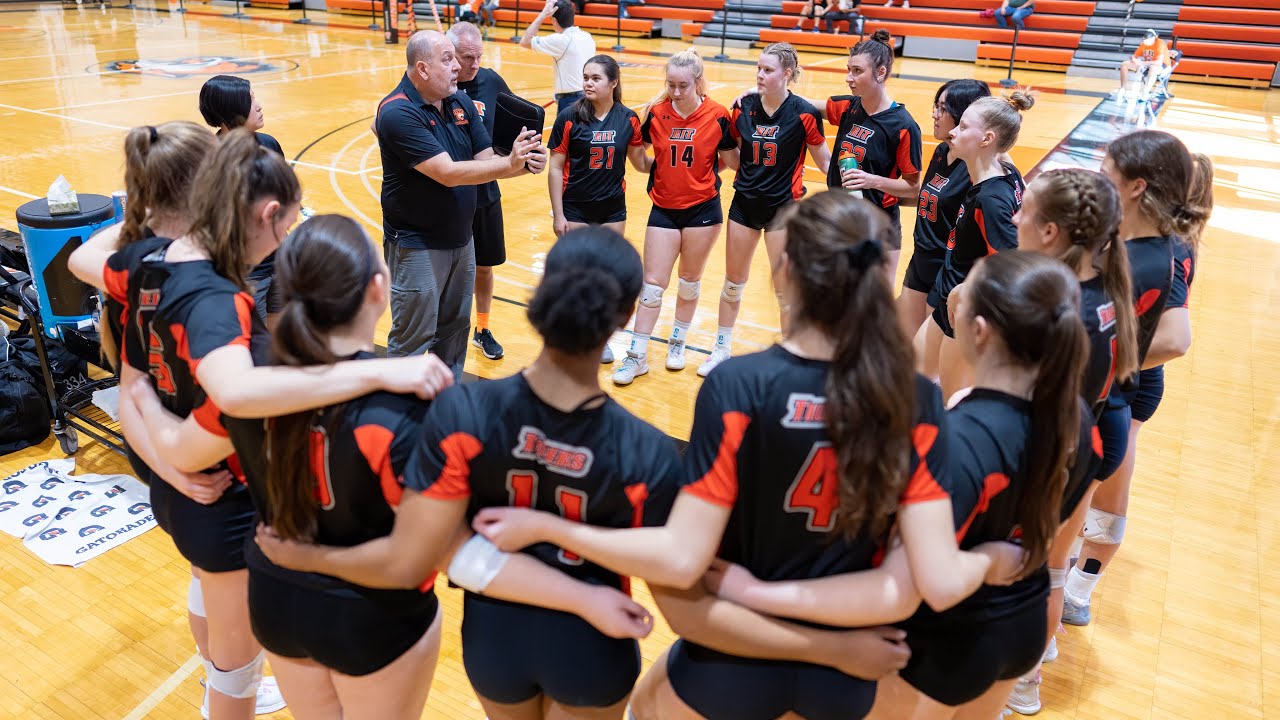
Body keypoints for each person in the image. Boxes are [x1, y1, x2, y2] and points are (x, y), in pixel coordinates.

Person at [474, 192, 1026, 720]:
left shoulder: (740, 385)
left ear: (785, 272)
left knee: (644, 705)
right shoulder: (917, 398)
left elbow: (683, 559)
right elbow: (904, 591)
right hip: (845, 676)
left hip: (730, 664)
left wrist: (548, 526)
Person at [130, 216, 653, 720]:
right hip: (371, 615)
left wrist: (139, 397)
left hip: (275, 597)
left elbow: (181, 453)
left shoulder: (245, 386)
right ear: (379, 289)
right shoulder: (407, 411)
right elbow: (441, 555)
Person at [76, 131, 456, 720]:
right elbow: (434, 555)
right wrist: (372, 374)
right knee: (232, 669)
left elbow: (136, 389)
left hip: (197, 499)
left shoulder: (149, 261)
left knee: (213, 605)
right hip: (268, 538)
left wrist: (167, 464)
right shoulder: (228, 324)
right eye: (294, 217)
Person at [255, 227, 690, 720]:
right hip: (590, 646)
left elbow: (440, 548)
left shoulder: (463, 408)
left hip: (494, 637)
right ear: (627, 315)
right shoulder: (647, 451)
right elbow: (672, 568)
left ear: (543, 291)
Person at [66, 121, 288, 720]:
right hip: (216, 485)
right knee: (237, 671)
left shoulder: (141, 261)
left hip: (175, 476)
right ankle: (219, 689)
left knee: (207, 592)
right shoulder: (208, 294)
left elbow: (85, 260)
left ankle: (214, 675)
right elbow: (236, 396)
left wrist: (148, 198)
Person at [868, 251, 1099, 720]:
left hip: (946, 638)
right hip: (1021, 621)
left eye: (962, 291)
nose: (951, 296)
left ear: (979, 330)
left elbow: (923, 583)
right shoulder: (1080, 420)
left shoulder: (956, 440)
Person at [1063, 130, 1213, 628]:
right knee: (1078, 499)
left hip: (1130, 383)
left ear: (1137, 185)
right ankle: (1061, 576)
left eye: (1109, 169)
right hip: (1102, 380)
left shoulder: (1167, 252)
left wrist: (1104, 359)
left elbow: (1175, 338)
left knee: (1107, 498)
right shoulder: (1117, 232)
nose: (1099, 175)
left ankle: (1077, 592)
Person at [1003, 167, 1138, 714]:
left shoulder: (1056, 311)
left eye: (1025, 209)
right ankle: (1026, 683)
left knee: (1025, 577)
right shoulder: (1104, 291)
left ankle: (1007, 682)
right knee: (1050, 574)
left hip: (1046, 462)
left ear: (1052, 232)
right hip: (1079, 454)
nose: (1015, 217)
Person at [376, 30, 545, 379]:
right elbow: (448, 173)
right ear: (422, 69)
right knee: (413, 338)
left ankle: (444, 407)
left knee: (453, 332)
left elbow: (485, 162)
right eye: (448, 59)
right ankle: (400, 420)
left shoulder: (459, 103)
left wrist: (524, 163)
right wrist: (510, 163)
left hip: (461, 239)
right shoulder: (397, 113)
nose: (459, 68)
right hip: (416, 244)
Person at [699, 43, 830, 377]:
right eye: (758, 68)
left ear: (787, 74)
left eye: (768, 70)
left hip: (783, 211)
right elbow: (732, 157)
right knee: (732, 282)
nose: (759, 74)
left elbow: (826, 163)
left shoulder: (804, 114)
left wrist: (856, 193)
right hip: (744, 204)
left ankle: (791, 357)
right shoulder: (743, 108)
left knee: (785, 291)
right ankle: (720, 348)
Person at [612, 49, 738, 383]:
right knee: (652, 287)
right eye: (671, 85)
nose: (677, 92)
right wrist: (665, 167)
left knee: (689, 282)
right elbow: (640, 163)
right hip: (664, 208)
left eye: (683, 85)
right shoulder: (655, 113)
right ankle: (636, 355)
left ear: (698, 82)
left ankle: (677, 344)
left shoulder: (718, 115)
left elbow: (731, 161)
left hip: (703, 210)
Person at [921, 93, 1033, 400]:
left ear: (986, 138)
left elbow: (1013, 266)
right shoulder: (1003, 171)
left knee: (952, 404)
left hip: (965, 315)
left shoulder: (991, 200)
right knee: (913, 379)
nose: (953, 131)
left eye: (963, 127)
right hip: (947, 302)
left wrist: (967, 291)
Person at [822, 30, 923, 279]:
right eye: (849, 69)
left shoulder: (903, 125)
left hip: (879, 227)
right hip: (842, 220)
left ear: (880, 72)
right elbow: (802, 105)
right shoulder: (848, 107)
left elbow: (913, 187)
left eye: (857, 71)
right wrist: (757, 93)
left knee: (875, 307)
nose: (848, 77)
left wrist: (872, 181)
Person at [901, 79, 990, 339]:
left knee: (932, 358)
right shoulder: (941, 151)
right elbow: (927, 200)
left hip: (947, 268)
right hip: (920, 258)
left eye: (942, 108)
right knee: (906, 344)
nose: (934, 114)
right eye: (935, 106)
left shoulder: (975, 167)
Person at [450, 21, 515, 360]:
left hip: (485, 191)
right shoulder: (439, 85)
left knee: (485, 266)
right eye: (466, 57)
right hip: (448, 194)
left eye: (478, 56)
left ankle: (483, 327)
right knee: (449, 266)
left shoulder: (491, 81)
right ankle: (445, 330)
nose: (474, 64)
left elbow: (515, 123)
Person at [198, 75, 286, 326]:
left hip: (278, 262)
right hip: (243, 274)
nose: (258, 106)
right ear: (230, 111)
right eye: (250, 100)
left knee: (279, 341)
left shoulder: (269, 144)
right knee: (251, 346)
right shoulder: (209, 158)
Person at [548, 54, 647, 238]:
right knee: (579, 267)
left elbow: (641, 163)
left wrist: (671, 161)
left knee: (607, 266)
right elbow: (555, 168)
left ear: (613, 82)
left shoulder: (628, 118)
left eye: (595, 78)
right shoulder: (568, 117)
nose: (588, 83)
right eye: (585, 78)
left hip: (613, 209)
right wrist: (558, 215)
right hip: (576, 207)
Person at [521, 0, 597, 114]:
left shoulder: (561, 40)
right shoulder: (587, 36)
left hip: (570, 102)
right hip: (588, 97)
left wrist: (543, 14)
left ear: (554, 20)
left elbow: (525, 41)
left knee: (566, 132)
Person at [1116, 29, 1170, 99]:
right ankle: (1122, 89)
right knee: (1124, 64)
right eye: (1145, 40)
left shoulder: (1160, 43)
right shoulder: (1144, 44)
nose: (1146, 42)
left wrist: (1141, 62)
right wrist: (1134, 59)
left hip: (1164, 66)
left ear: (1153, 38)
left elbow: (1159, 62)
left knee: (1153, 68)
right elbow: (1135, 55)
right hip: (1148, 64)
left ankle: (1145, 92)